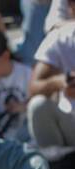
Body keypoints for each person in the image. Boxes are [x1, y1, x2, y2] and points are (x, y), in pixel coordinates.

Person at [27, 16, 75, 148]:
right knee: (38, 105)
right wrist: (59, 82)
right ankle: (57, 164)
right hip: (70, 121)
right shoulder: (59, 36)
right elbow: (33, 87)